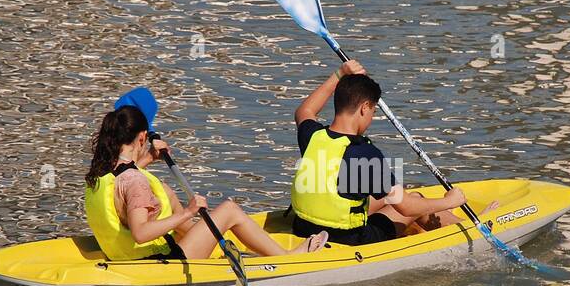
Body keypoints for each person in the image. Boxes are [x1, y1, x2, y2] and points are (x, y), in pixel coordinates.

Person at [85, 105, 328, 261]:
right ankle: (286, 259)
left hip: (125, 258)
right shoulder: (135, 182)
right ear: (141, 137)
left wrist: (149, 157)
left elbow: (125, 180)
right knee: (230, 210)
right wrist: (188, 212)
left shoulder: (103, 171)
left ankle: (206, 238)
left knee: (166, 192)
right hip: (159, 263)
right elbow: (140, 233)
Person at [290, 59, 472, 246]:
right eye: (373, 111)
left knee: (386, 195)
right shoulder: (366, 154)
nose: (372, 117)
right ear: (364, 107)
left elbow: (305, 110)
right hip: (349, 240)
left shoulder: (312, 136)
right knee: (414, 198)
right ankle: (471, 230)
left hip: (304, 229)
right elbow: (407, 207)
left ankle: (426, 227)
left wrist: (339, 73)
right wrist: (450, 201)